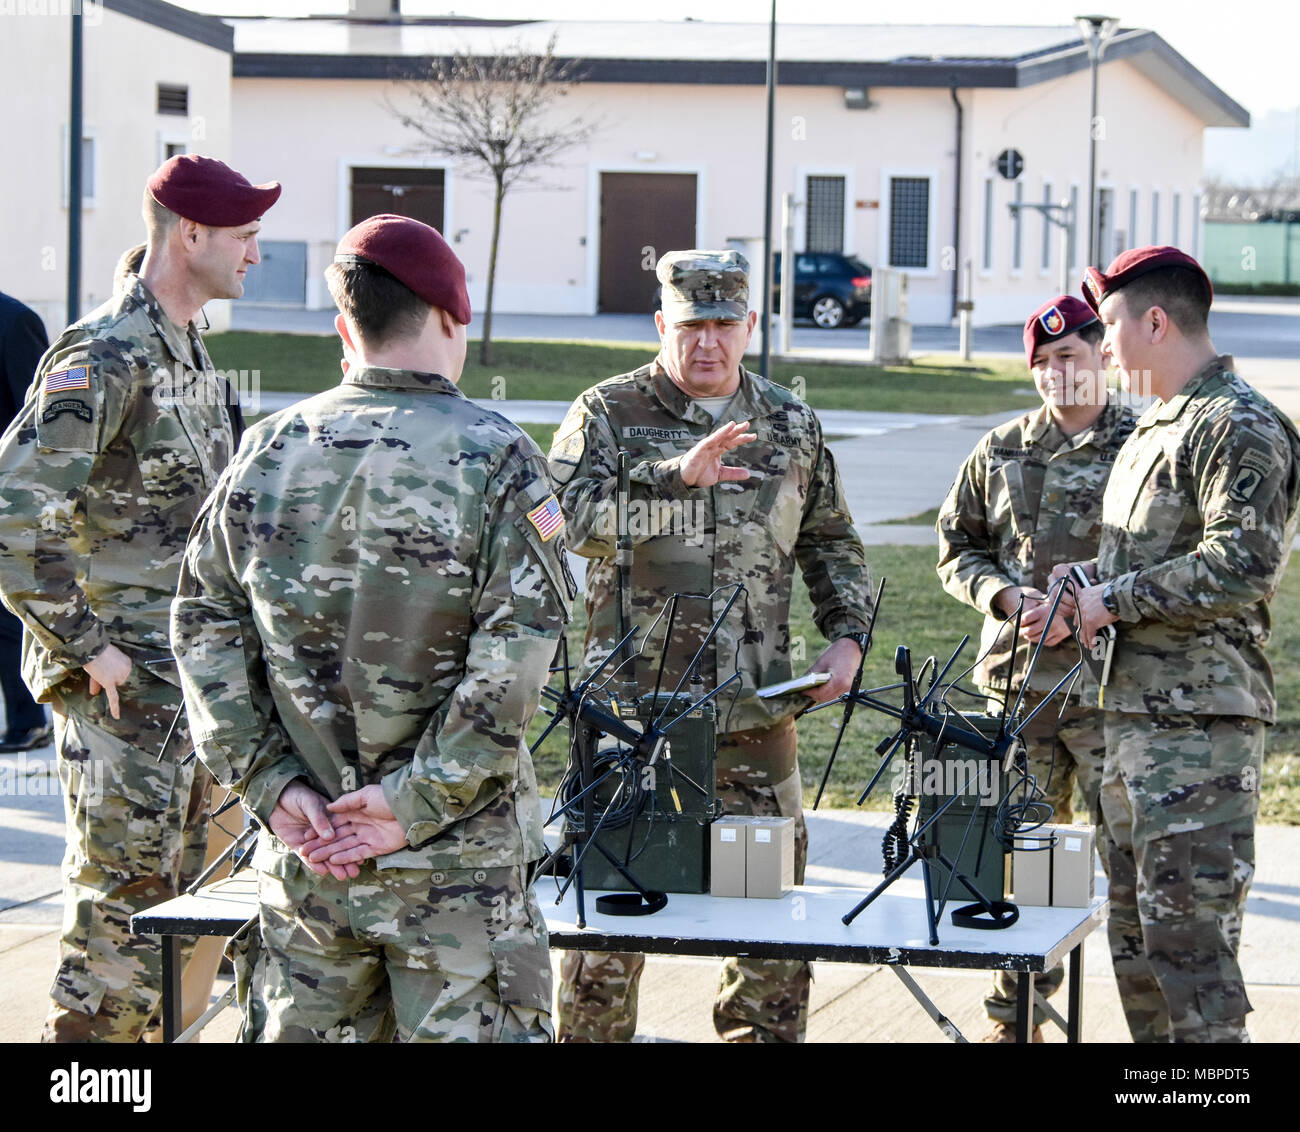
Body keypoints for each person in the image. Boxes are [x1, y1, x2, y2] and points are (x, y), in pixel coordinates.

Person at [170, 213, 571, 1043]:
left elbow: (202, 625)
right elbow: (514, 666)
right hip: (455, 882)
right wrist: (406, 804)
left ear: (344, 328)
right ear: (453, 318)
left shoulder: (266, 451)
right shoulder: (499, 458)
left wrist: (274, 787)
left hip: (310, 865)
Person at [548, 249, 874, 1043]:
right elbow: (554, 521)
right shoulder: (606, 412)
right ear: (664, 324)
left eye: (724, 325)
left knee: (769, 940)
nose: (707, 343)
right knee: (603, 950)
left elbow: (830, 541)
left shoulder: (790, 422)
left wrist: (848, 636)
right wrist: (670, 479)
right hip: (634, 729)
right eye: (691, 325)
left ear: (749, 326)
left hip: (754, 725)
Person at [0, 153, 280, 1041]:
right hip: (121, 696)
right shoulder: (107, 352)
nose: (255, 254)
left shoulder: (187, 347)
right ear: (190, 234)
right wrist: (90, 647)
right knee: (115, 930)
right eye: (244, 236)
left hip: (179, 691)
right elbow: (12, 515)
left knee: (169, 925)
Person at [1055, 246, 1300, 1043]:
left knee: (1191, 956)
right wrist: (1086, 582)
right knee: (1140, 948)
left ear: (1155, 321)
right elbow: (1157, 556)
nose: (1107, 345)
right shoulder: (1160, 425)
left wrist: (1108, 599)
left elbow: (1242, 563)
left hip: (1197, 732)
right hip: (1130, 722)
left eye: (1112, 324)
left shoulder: (1239, 422)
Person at [936, 294, 1135, 1042]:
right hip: (1021, 691)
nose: (1057, 374)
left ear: (1103, 356)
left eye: (1071, 357)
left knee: (1129, 857)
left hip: (1114, 691)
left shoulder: (1143, 447)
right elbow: (957, 546)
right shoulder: (1001, 449)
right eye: (1043, 363)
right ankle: (1015, 1019)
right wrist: (999, 593)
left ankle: (1156, 1024)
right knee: (1021, 859)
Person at [0, 290, 52, 752]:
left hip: (6, 496)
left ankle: (27, 721)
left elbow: (39, 417)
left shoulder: (15, 321)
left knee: (6, 613)